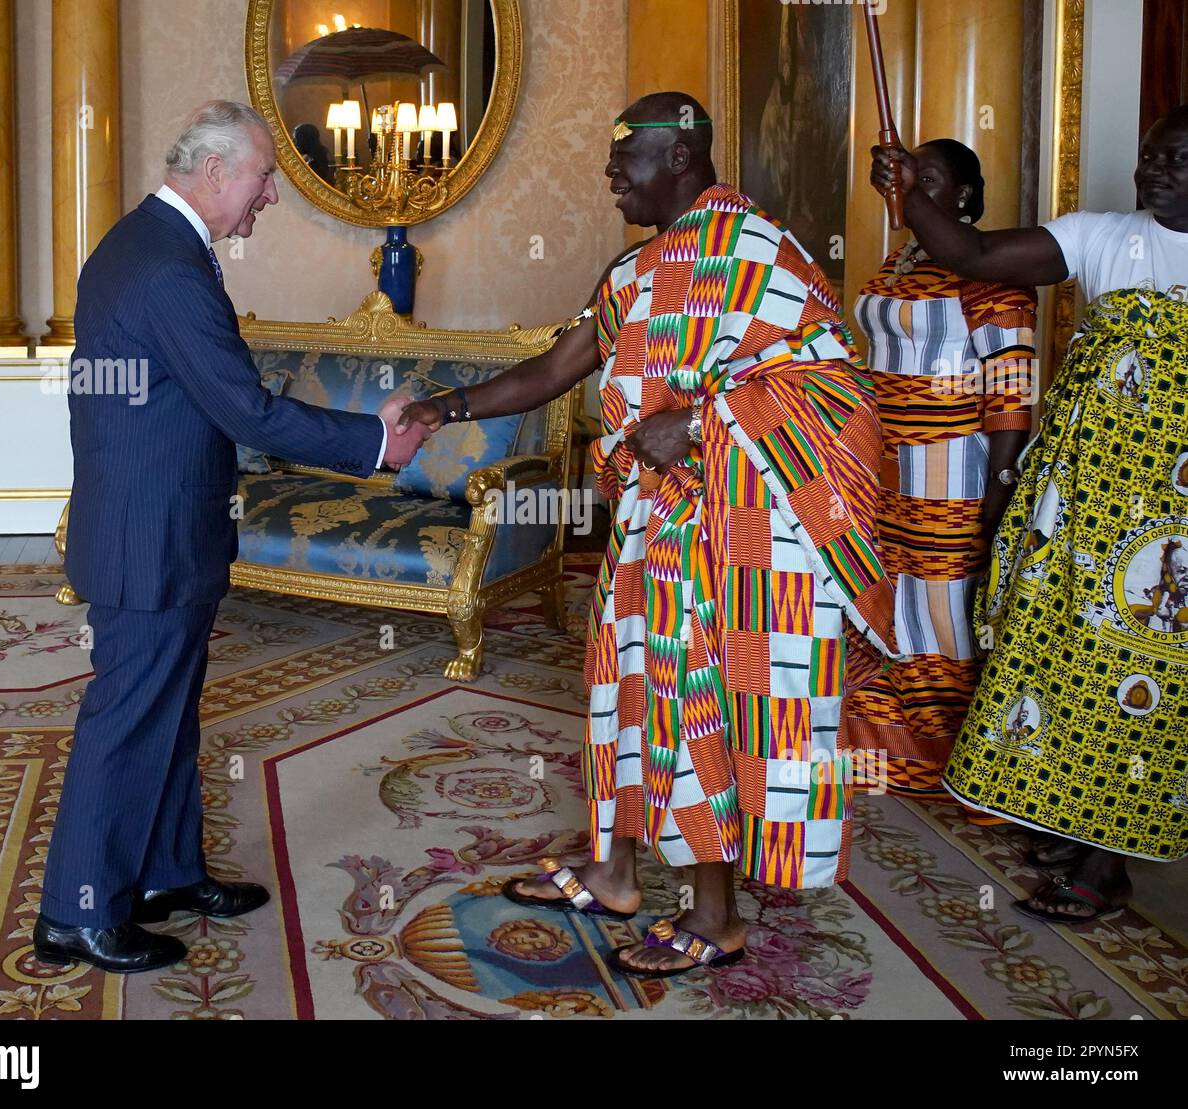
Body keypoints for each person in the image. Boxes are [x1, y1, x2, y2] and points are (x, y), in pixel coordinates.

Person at [398, 92, 894, 977]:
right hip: (649, 529)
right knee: (626, 692)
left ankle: (718, 914)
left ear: (681, 157)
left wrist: (702, 422)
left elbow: (839, 389)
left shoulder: (761, 253)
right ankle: (614, 871)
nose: (610, 175)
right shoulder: (633, 272)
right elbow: (559, 366)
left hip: (735, 537)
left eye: (626, 159)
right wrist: (448, 404)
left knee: (691, 703)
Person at [37, 101, 423, 974]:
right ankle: (75, 911)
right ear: (214, 172)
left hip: (164, 523)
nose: (271, 197)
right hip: (150, 535)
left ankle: (168, 871)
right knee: (129, 722)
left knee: (168, 717)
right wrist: (375, 441)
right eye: (263, 176)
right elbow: (244, 409)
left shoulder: (147, 242)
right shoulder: (166, 265)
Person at [870, 105, 1188, 923]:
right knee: (1055, 647)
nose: (1155, 171)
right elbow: (970, 253)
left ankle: (1106, 861)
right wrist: (912, 192)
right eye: (1152, 155)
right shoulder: (1102, 236)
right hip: (1085, 492)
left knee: (1140, 673)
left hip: (1170, 519)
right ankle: (1071, 827)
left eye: (1178, 159)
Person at [846, 140, 1037, 798]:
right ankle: (887, 746)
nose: (910, 187)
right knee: (890, 594)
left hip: (949, 466)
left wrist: (1001, 483)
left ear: (960, 196)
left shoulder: (988, 269)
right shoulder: (899, 260)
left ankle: (945, 752)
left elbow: (1013, 382)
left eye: (926, 178)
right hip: (883, 462)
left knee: (940, 603)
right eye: (904, 177)